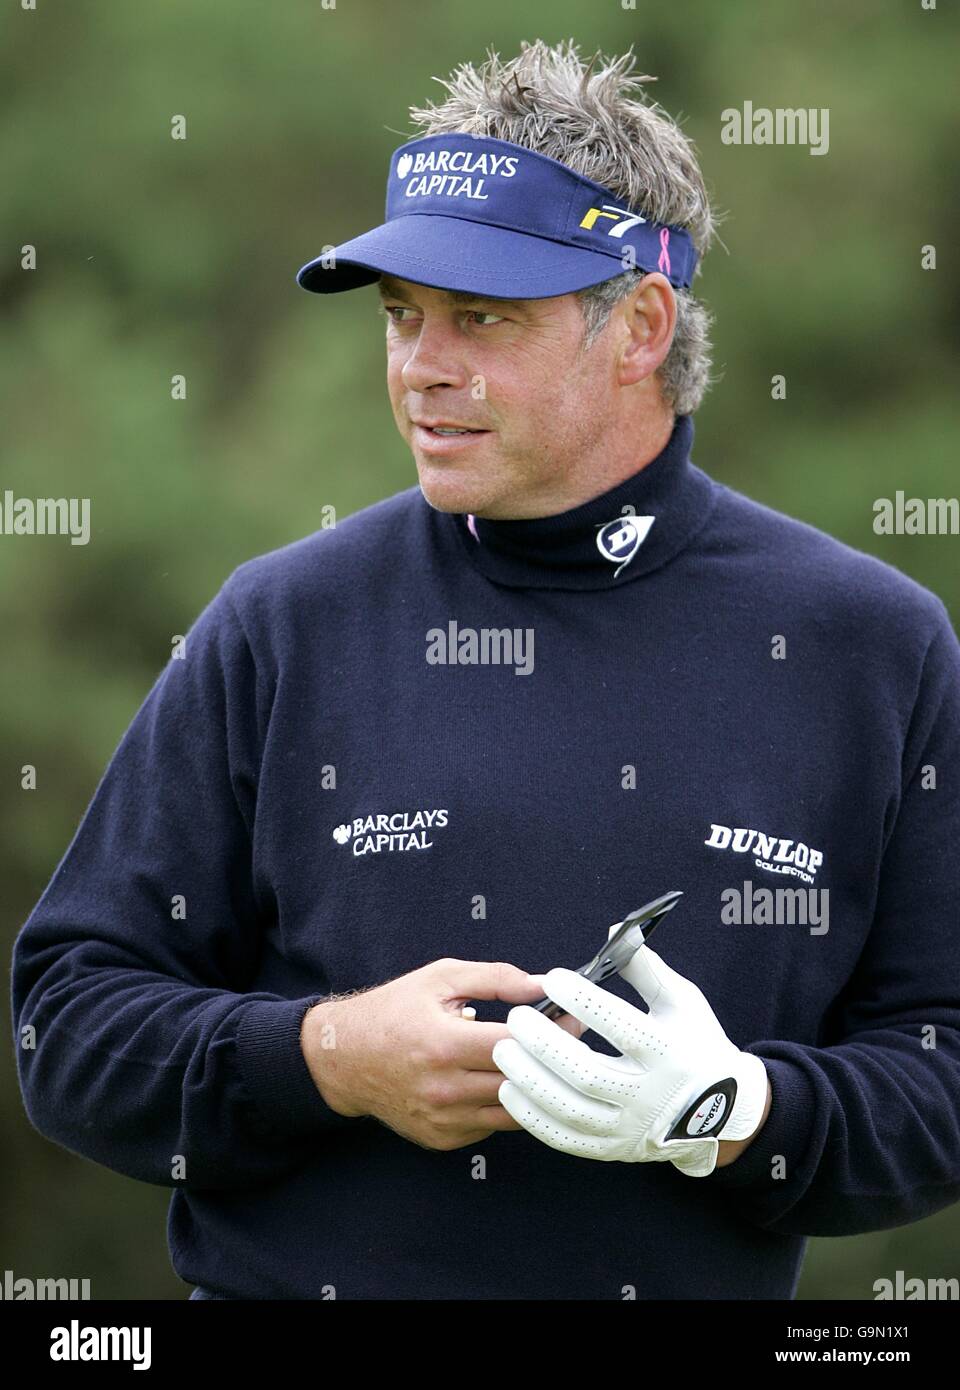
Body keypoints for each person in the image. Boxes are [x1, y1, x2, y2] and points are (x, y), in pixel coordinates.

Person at [11, 39, 960, 1301]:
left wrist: (743, 1112)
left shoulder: (872, 644)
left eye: (482, 319)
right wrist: (328, 1054)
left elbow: (940, 1071)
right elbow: (64, 1026)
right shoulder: (282, 623)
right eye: (402, 315)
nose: (420, 367)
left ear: (641, 327)